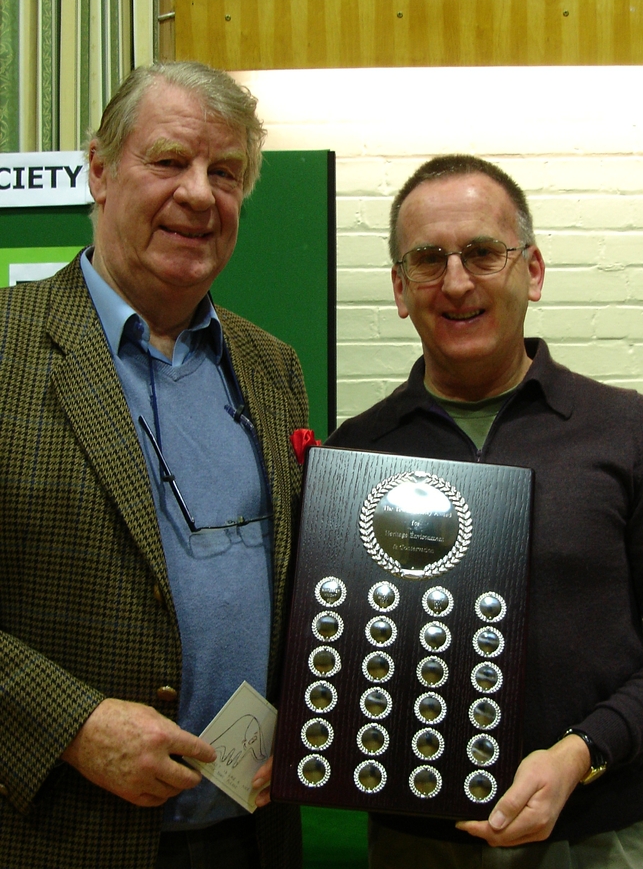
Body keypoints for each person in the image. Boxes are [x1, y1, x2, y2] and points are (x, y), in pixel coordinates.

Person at [0, 61, 307, 869]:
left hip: (250, 833)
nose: (200, 194)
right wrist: (68, 725)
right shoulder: (5, 344)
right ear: (98, 171)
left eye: (226, 172)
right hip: (61, 837)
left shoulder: (274, 369)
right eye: (169, 161)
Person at [327, 154, 643, 868]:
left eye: (480, 253)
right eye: (428, 260)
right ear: (400, 289)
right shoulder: (357, 455)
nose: (457, 281)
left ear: (530, 270)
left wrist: (582, 752)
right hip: (416, 842)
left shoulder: (625, 431)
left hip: (595, 832)